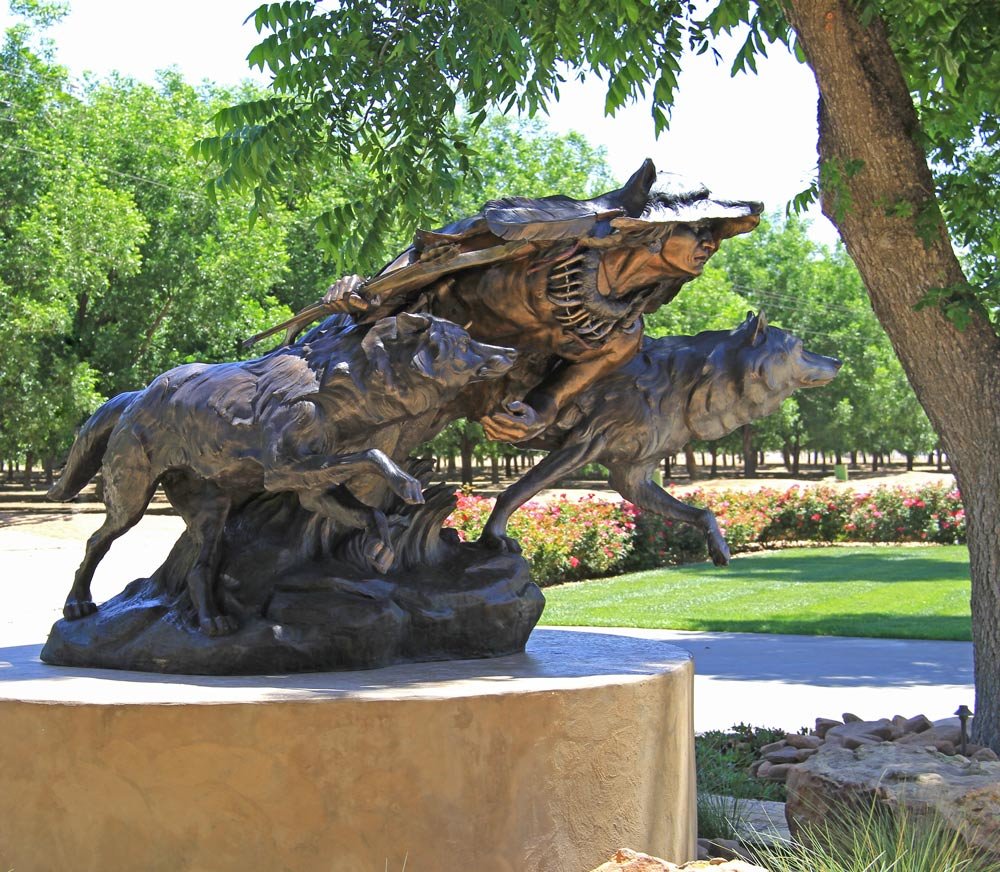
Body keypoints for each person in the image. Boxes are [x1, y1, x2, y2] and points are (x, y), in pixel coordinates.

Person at [275, 159, 762, 442]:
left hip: (444, 393)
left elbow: (549, 399)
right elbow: (441, 247)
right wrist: (367, 293)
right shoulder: (545, 244)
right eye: (700, 229)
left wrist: (533, 416)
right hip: (384, 347)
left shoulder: (620, 336)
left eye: (715, 234)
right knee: (294, 421)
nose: (712, 243)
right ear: (651, 230)